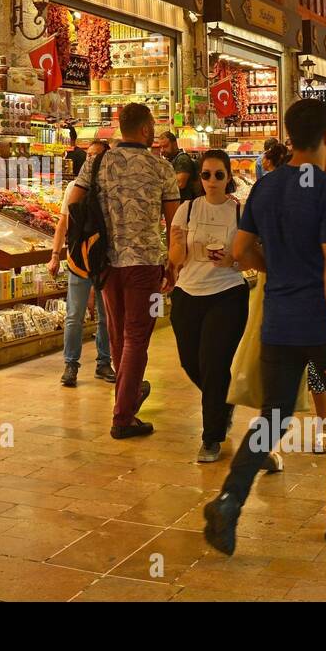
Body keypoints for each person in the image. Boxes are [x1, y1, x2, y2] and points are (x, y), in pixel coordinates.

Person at [203, 98, 326, 555]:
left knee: (273, 416)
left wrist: (277, 271)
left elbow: (241, 250)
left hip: (278, 322)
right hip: (321, 324)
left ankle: (229, 499)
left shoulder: (266, 186)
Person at [71, 102, 179, 439]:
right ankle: (123, 416)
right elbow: (174, 223)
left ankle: (127, 397)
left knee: (118, 334)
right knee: (137, 337)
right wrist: (173, 264)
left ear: (120, 126)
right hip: (145, 262)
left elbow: (73, 202)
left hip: (107, 262)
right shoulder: (161, 167)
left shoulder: (97, 161)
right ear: (146, 130)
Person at [167, 150, 249, 463]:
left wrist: (234, 259)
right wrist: (177, 244)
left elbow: (250, 255)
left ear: (228, 178)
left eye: (218, 175)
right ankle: (223, 404)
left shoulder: (239, 211)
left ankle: (211, 437)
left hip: (227, 293)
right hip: (188, 293)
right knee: (191, 363)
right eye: (206, 175)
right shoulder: (186, 210)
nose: (211, 181)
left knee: (214, 364)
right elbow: (175, 260)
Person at [50, 140, 114, 386]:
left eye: (96, 156)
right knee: (74, 315)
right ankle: (71, 364)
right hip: (78, 258)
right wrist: (55, 254)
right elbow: (63, 223)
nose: (91, 160)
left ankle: (104, 362)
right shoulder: (74, 188)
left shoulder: (111, 186)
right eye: (88, 155)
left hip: (104, 259)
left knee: (106, 315)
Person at [161, 130, 202, 201]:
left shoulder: (182, 159)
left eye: (165, 146)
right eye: (161, 147)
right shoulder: (171, 160)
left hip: (186, 204)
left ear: (174, 144)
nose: (162, 150)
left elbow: (180, 183)